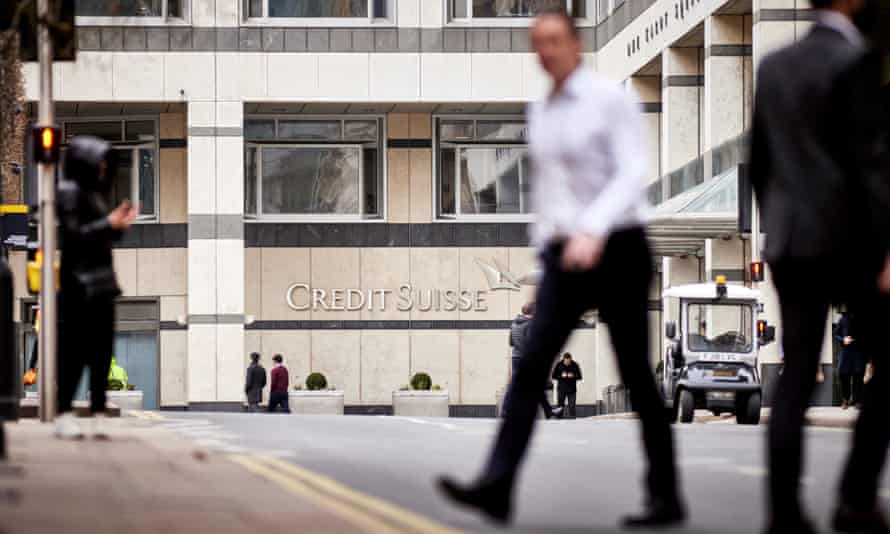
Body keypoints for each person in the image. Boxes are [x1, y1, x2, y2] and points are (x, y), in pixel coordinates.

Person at [437, 9, 685, 528]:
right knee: (530, 368)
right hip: (564, 256)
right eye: (537, 43)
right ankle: (497, 486)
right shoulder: (541, 109)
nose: (545, 51)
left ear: (576, 45)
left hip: (618, 246)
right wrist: (542, 264)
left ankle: (666, 495)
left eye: (554, 40)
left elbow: (631, 172)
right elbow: (549, 193)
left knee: (636, 373)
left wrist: (593, 229)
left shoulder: (609, 99)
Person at [750, 0, 890, 529]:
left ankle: (783, 512)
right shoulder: (855, 60)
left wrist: (777, 230)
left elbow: (760, 166)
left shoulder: (774, 66)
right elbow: (869, 165)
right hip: (848, 239)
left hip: (791, 242)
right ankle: (856, 498)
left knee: (795, 375)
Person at [55, 137, 138, 440]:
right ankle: (64, 413)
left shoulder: (96, 194)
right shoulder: (69, 192)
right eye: (99, 162)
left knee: (102, 353)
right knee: (74, 353)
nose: (104, 168)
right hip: (79, 285)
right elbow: (74, 235)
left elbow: (101, 237)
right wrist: (108, 224)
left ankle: (99, 413)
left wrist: (118, 226)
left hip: (103, 284)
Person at [504, 302, 554, 419]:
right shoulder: (530, 324)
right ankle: (548, 411)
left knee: (517, 384)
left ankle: (507, 409)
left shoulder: (514, 324)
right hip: (526, 358)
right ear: (533, 312)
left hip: (516, 357)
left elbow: (511, 342)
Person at [835, 311, 867, 409]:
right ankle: (846, 398)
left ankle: (857, 400)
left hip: (859, 351)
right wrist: (843, 339)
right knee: (844, 374)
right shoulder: (843, 318)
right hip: (846, 352)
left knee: (858, 375)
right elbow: (836, 333)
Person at [552, 353, 582, 419]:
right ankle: (559, 419)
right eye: (566, 361)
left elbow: (580, 377)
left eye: (569, 361)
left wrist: (573, 376)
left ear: (571, 359)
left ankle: (573, 419)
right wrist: (561, 376)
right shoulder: (559, 365)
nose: (567, 362)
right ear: (564, 359)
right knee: (560, 406)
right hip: (561, 389)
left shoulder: (575, 365)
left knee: (572, 406)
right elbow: (553, 376)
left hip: (572, 389)